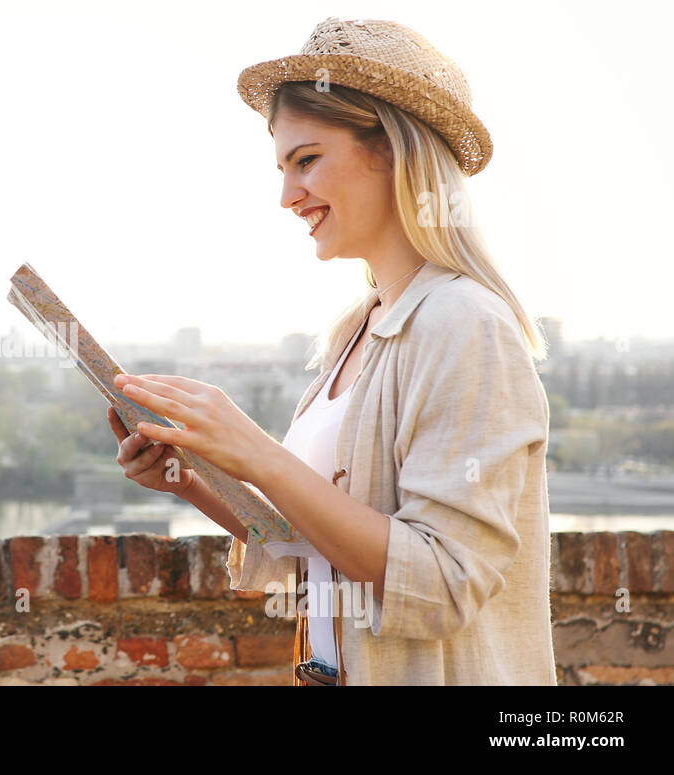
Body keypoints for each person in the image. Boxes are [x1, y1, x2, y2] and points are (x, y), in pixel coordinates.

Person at [107, 17, 555, 685]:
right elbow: (318, 547)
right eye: (284, 167)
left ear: (394, 153)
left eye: (306, 160)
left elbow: (441, 579)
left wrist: (255, 449)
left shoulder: (464, 325)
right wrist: (187, 476)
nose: (287, 196)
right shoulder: (358, 331)